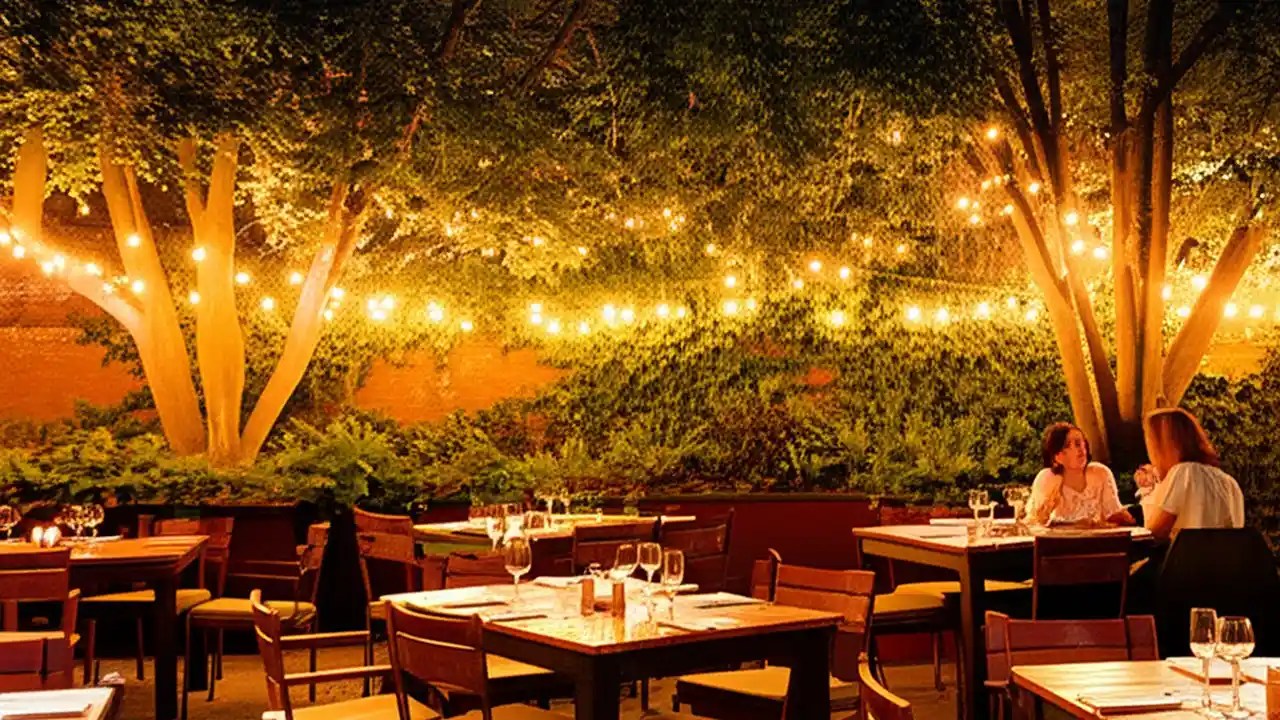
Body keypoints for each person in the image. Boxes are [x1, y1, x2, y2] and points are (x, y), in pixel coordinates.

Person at [1137, 407, 1243, 541]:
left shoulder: (1184, 472)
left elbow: (1155, 532)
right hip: (1227, 561)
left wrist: (1149, 490)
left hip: (1188, 560)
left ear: (1165, 445)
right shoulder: (1228, 481)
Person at [1028, 422, 1133, 526]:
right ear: (1057, 457)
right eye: (1068, 445)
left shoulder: (1100, 473)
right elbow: (1034, 522)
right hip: (1060, 541)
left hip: (1098, 540)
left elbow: (1113, 514)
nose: (1079, 448)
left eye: (1080, 442)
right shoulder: (1047, 478)